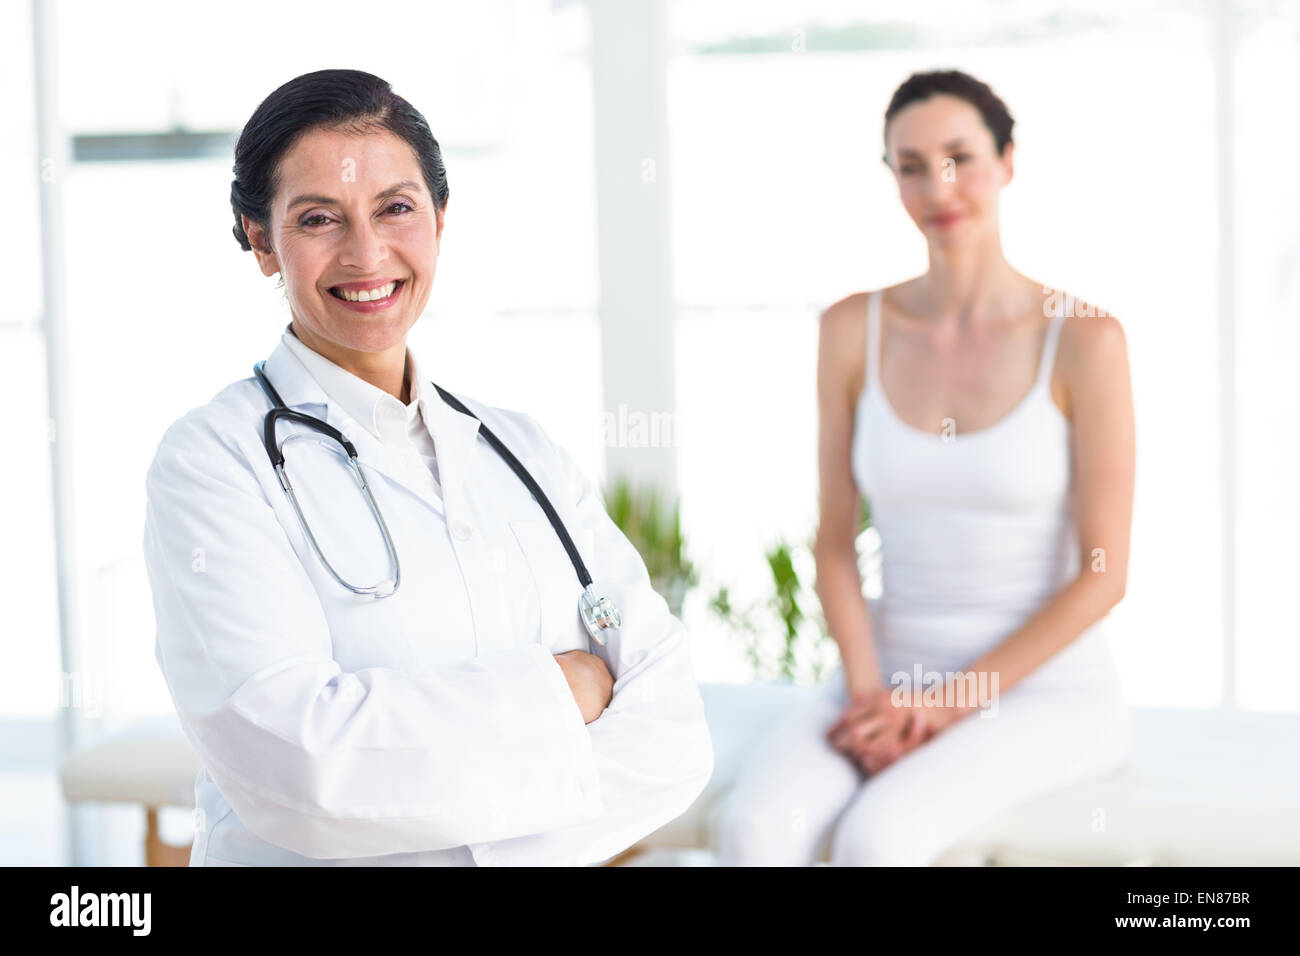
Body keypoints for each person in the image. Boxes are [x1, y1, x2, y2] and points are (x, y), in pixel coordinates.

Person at [142, 68, 712, 867]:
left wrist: (433, 801)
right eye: (318, 219)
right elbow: (302, 770)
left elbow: (674, 734)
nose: (366, 252)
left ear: (441, 219)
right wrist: (566, 692)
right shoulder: (212, 463)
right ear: (262, 240)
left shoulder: (522, 451)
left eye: (396, 208)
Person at [716, 70, 1136, 866]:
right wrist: (875, 696)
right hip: (885, 676)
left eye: (959, 156)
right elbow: (835, 544)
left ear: (1008, 160)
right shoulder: (852, 328)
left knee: (880, 838)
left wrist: (942, 710)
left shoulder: (1085, 339)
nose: (937, 185)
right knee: (755, 830)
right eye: (910, 165)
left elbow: (1103, 575)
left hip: (1046, 693)